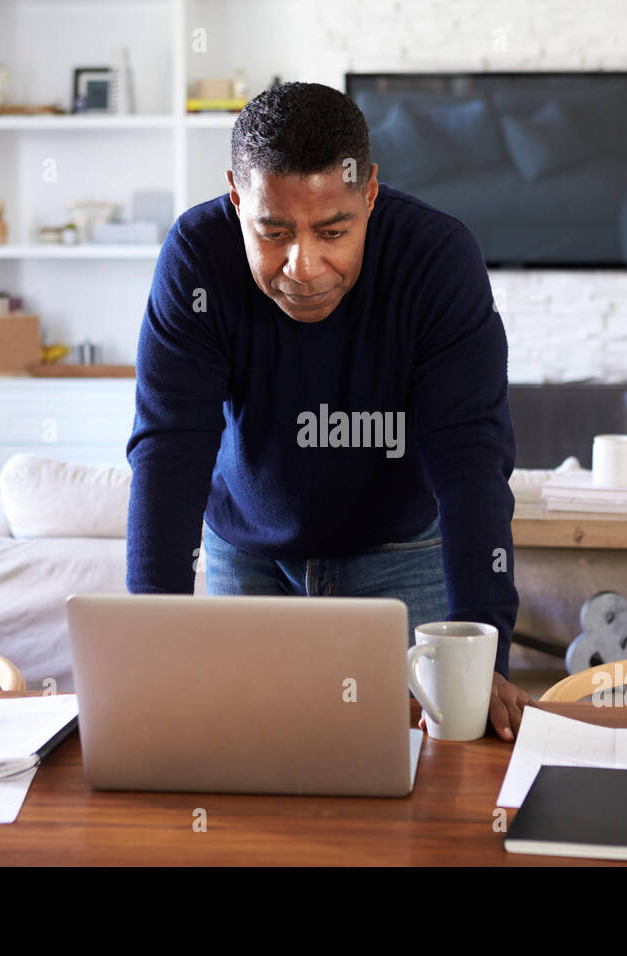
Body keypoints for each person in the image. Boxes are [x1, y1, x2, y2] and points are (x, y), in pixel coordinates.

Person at [125, 82, 528, 740]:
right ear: (236, 197)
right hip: (246, 554)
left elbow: (470, 467)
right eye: (273, 230)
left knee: (435, 766)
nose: (303, 266)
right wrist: (147, 649)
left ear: (368, 193)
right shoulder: (197, 256)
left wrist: (486, 653)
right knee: (237, 755)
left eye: (333, 231)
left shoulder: (436, 260)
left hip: (400, 551)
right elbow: (169, 451)